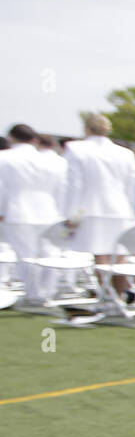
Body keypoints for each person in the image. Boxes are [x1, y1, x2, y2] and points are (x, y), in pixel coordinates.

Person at [62, 113, 135, 302]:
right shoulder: (125, 153)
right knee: (119, 256)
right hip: (120, 209)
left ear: (87, 129)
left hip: (92, 208)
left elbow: (75, 184)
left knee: (101, 257)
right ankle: (118, 296)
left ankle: (108, 297)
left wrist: (72, 214)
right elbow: (132, 185)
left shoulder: (76, 148)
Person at [0, 123, 67, 304]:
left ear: (12, 138)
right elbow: (62, 190)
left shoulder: (4, 158)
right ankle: (48, 291)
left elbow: (2, 188)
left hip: (18, 210)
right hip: (49, 211)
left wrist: (1, 210)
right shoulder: (55, 161)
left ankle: (34, 293)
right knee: (49, 253)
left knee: (25, 255)